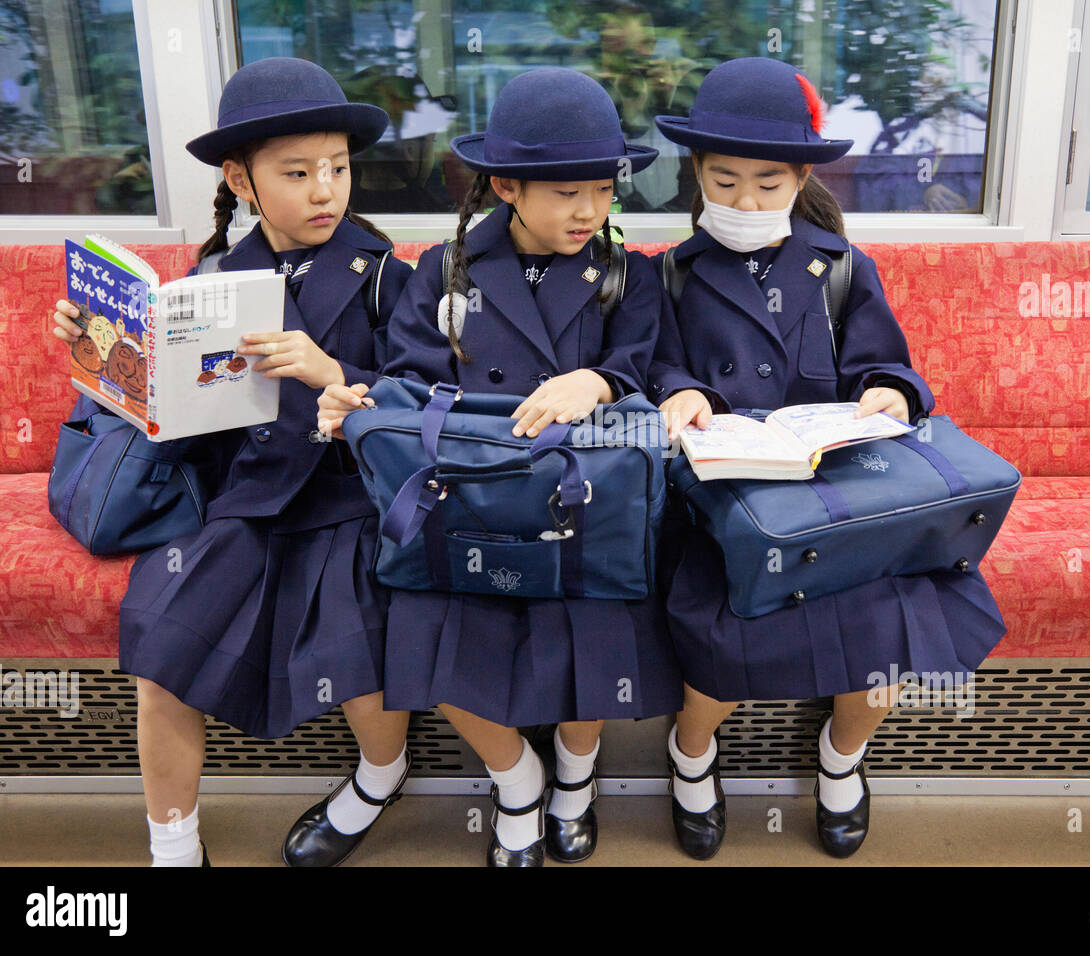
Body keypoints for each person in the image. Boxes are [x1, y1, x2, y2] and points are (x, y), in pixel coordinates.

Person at [50, 57, 413, 867]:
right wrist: (99, 351)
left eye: (338, 169)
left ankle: (382, 775)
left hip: (348, 498)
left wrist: (332, 374)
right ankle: (172, 845)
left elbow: (427, 398)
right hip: (240, 501)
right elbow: (166, 415)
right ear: (240, 179)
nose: (326, 190)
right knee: (159, 650)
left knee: (355, 647)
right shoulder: (210, 279)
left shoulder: (390, 275)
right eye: (298, 172)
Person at [318, 67, 682, 867]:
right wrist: (359, 401)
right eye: (565, 194)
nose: (589, 211)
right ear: (508, 186)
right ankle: (515, 777)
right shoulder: (443, 271)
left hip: (580, 498)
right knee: (430, 635)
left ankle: (577, 778)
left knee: (593, 633)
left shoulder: (630, 274)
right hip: (471, 492)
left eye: (602, 189)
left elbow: (650, 370)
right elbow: (408, 379)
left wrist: (601, 379)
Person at [647, 57, 1009, 860]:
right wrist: (678, 393)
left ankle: (843, 760)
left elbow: (887, 363)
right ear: (696, 174)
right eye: (726, 181)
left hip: (844, 492)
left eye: (768, 184)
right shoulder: (669, 276)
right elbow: (658, 363)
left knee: (891, 624)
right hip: (732, 497)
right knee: (722, 630)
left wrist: (887, 391)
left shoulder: (841, 267)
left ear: (801, 176)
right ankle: (692, 755)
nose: (745, 202)